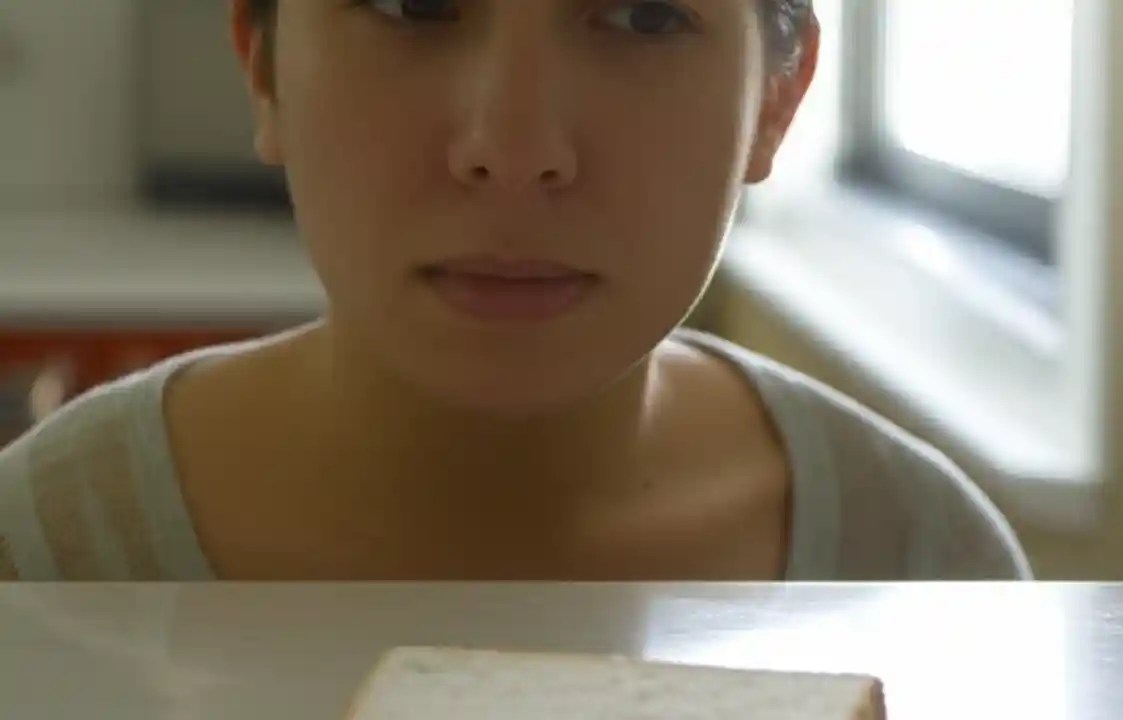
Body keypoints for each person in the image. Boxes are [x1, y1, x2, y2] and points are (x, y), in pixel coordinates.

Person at [0, 0, 1030, 581]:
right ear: (264, 71)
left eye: (639, 17)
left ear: (774, 99)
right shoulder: (49, 558)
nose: (515, 148)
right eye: (411, 6)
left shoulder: (918, 562)